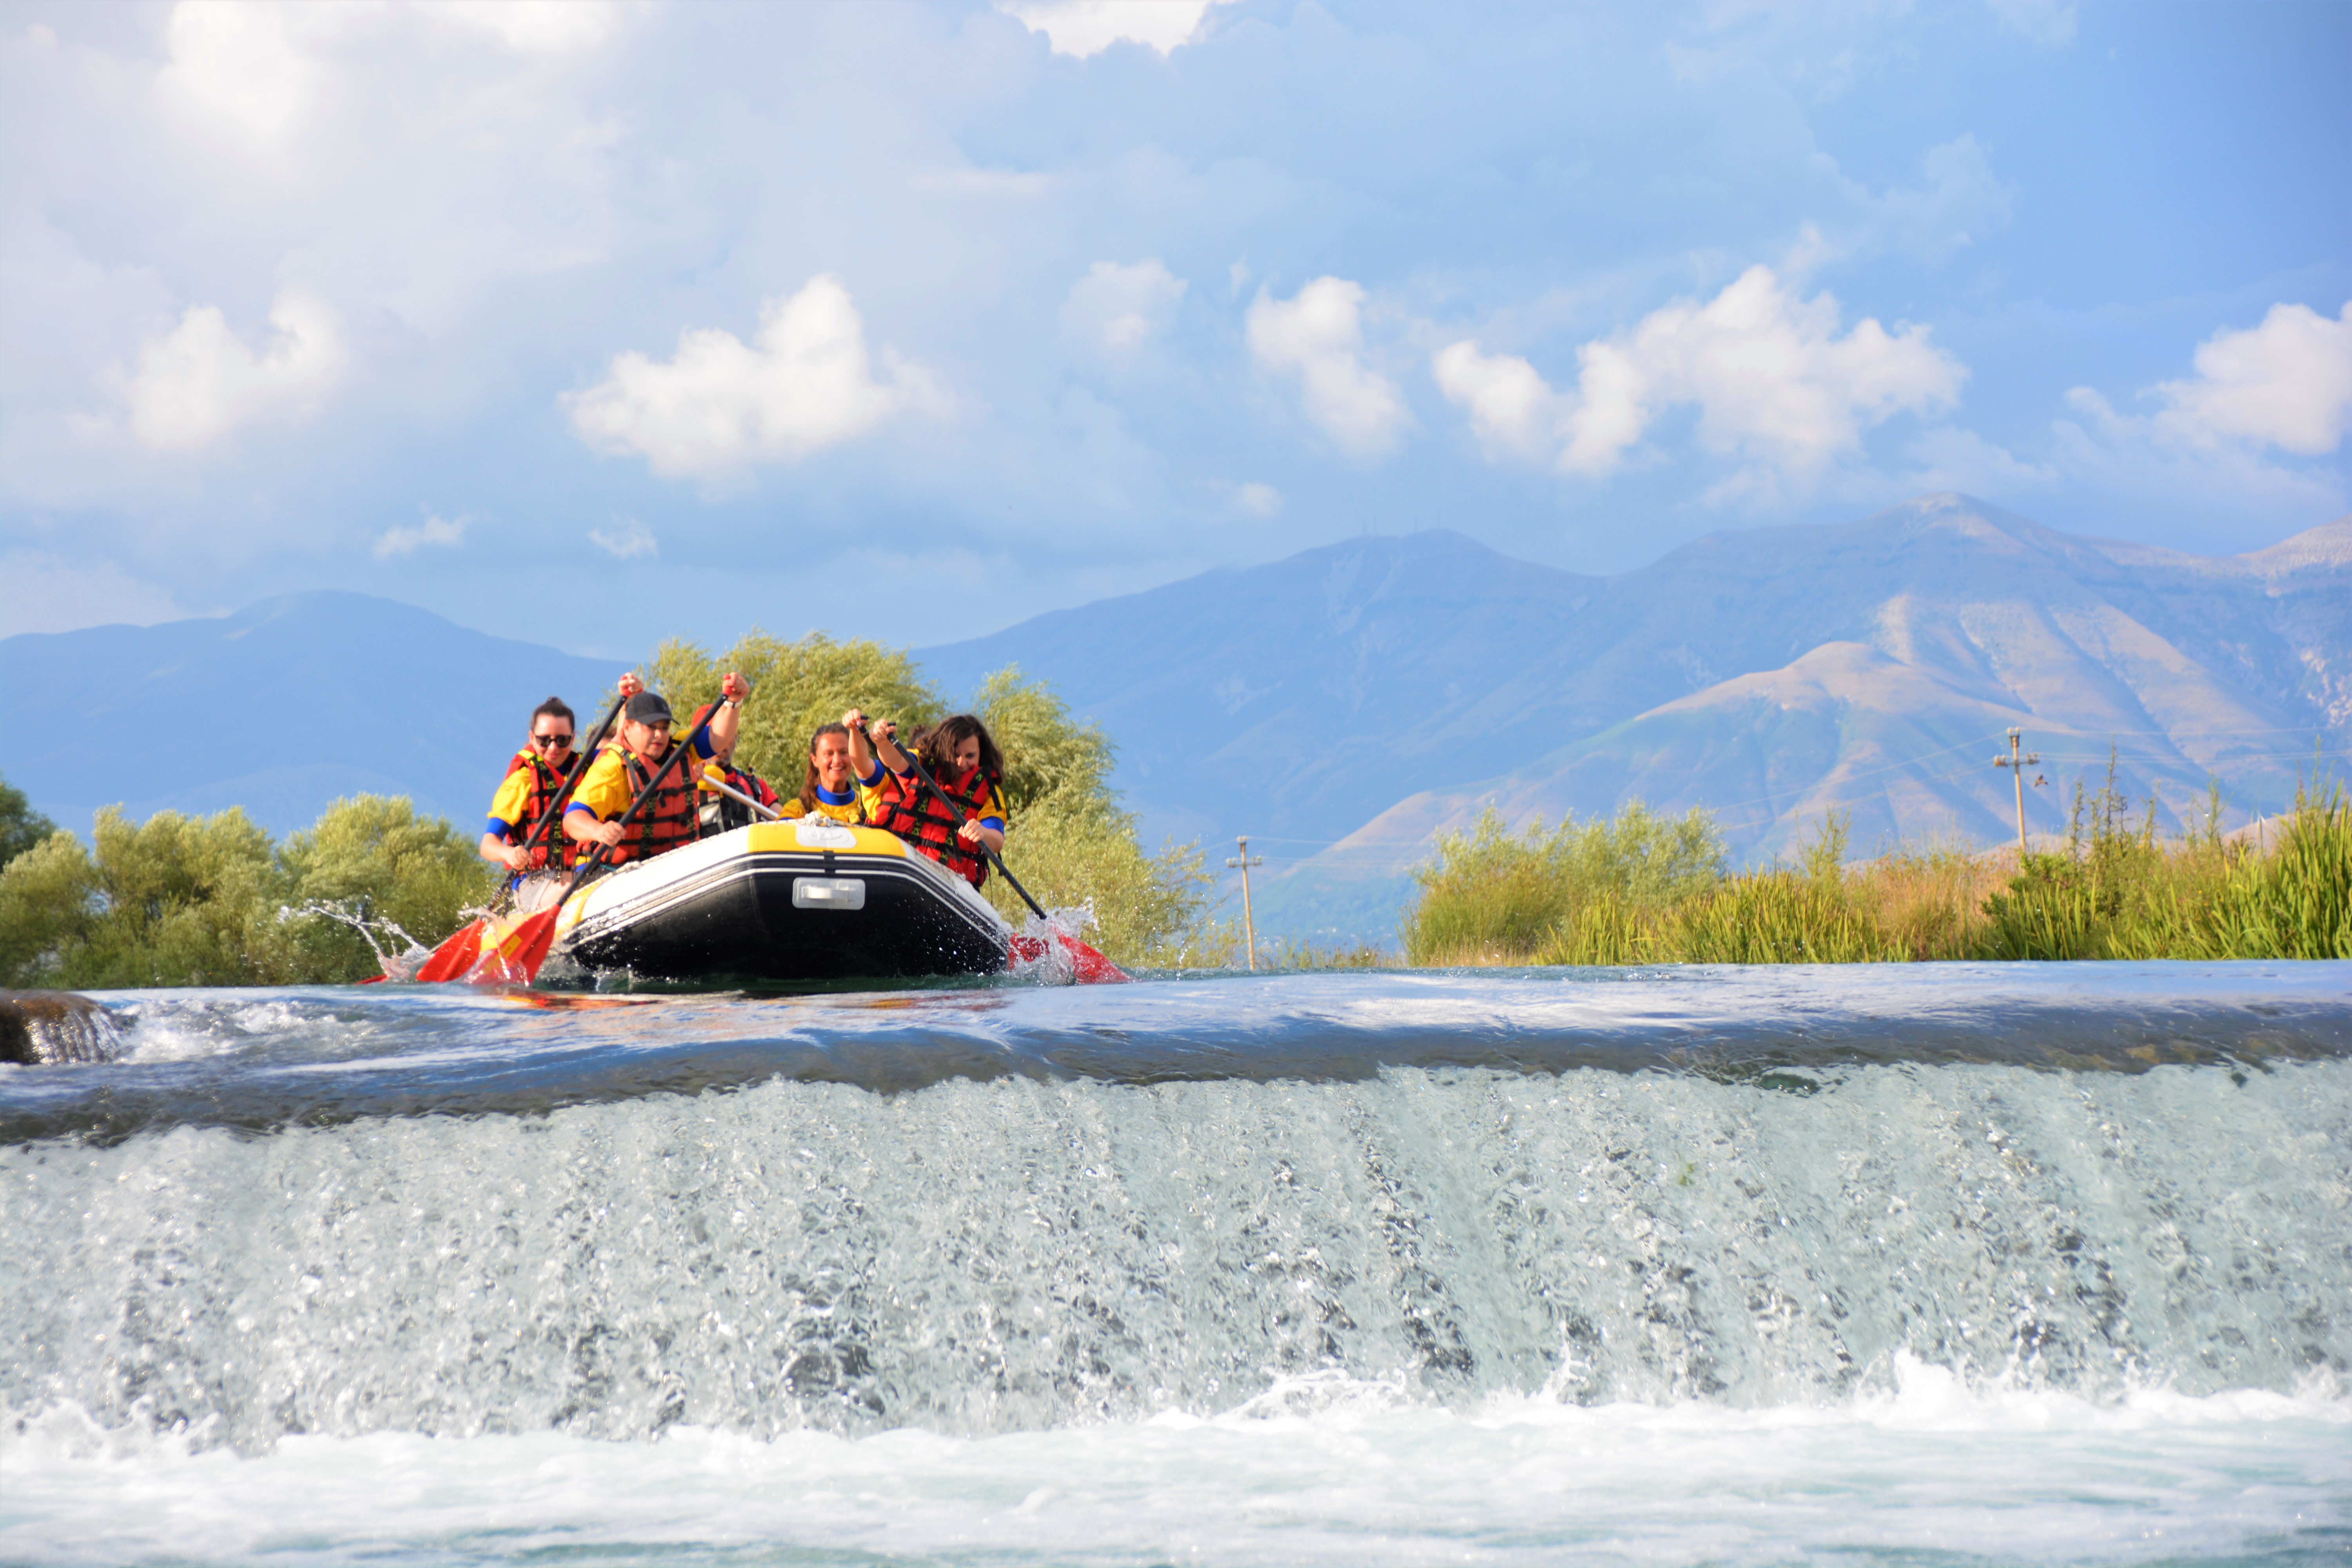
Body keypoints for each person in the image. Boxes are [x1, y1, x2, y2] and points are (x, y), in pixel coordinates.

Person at [565, 673, 749, 865]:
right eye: (651, 727)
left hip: (672, 864)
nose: (659, 734)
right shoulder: (612, 767)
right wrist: (598, 831)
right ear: (627, 728)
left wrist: (733, 702)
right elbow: (573, 818)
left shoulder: (681, 750)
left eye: (665, 727)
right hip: (618, 870)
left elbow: (718, 739)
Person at [856, 711, 1007, 887]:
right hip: (902, 869)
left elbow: (997, 842)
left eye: (970, 756)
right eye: (955, 754)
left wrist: (982, 832)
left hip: (950, 884)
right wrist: (881, 742)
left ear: (982, 754)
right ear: (944, 749)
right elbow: (896, 760)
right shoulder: (921, 762)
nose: (961, 763)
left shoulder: (990, 792)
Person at [479, 697, 580, 882]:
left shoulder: (589, 773)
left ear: (573, 739)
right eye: (544, 740)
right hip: (534, 880)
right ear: (532, 738)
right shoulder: (521, 782)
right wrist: (509, 853)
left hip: (582, 873)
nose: (553, 747)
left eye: (563, 740)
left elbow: (621, 746)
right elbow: (488, 845)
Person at [690, 701, 782, 836]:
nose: (718, 744)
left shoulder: (758, 787)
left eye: (722, 736)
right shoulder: (685, 785)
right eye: (710, 737)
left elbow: (788, 823)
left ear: (735, 737)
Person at [780, 714, 890, 826]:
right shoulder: (797, 810)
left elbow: (890, 768)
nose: (837, 760)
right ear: (815, 760)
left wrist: (880, 739)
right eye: (829, 754)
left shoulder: (868, 802)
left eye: (843, 752)